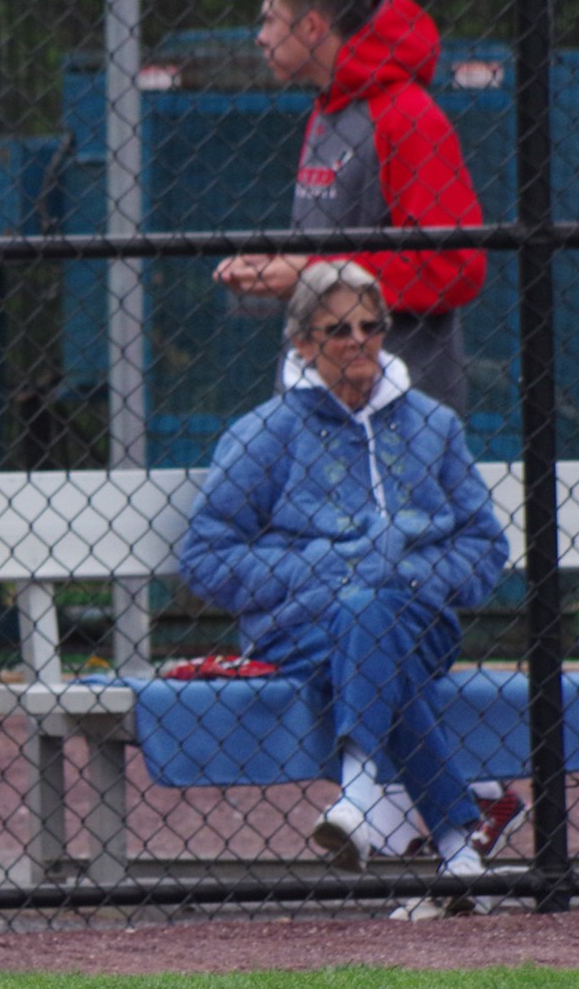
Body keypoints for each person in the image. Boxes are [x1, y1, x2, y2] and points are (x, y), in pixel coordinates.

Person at [178, 261, 508, 919]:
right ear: (300, 342)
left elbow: (484, 546)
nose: (358, 340)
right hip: (301, 630)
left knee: (374, 614)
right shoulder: (265, 433)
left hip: (419, 619)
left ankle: (360, 798)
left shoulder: (433, 425)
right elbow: (206, 555)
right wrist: (328, 575)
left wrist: (408, 576)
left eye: (370, 325)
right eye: (336, 331)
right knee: (366, 619)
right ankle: (456, 844)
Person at [213, 0, 486, 415]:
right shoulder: (329, 110)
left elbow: (454, 268)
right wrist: (285, 269)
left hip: (399, 413)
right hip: (321, 406)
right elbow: (335, 252)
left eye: (269, 20)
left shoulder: (407, 116)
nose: (259, 36)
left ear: (313, 26)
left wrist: (314, 274)